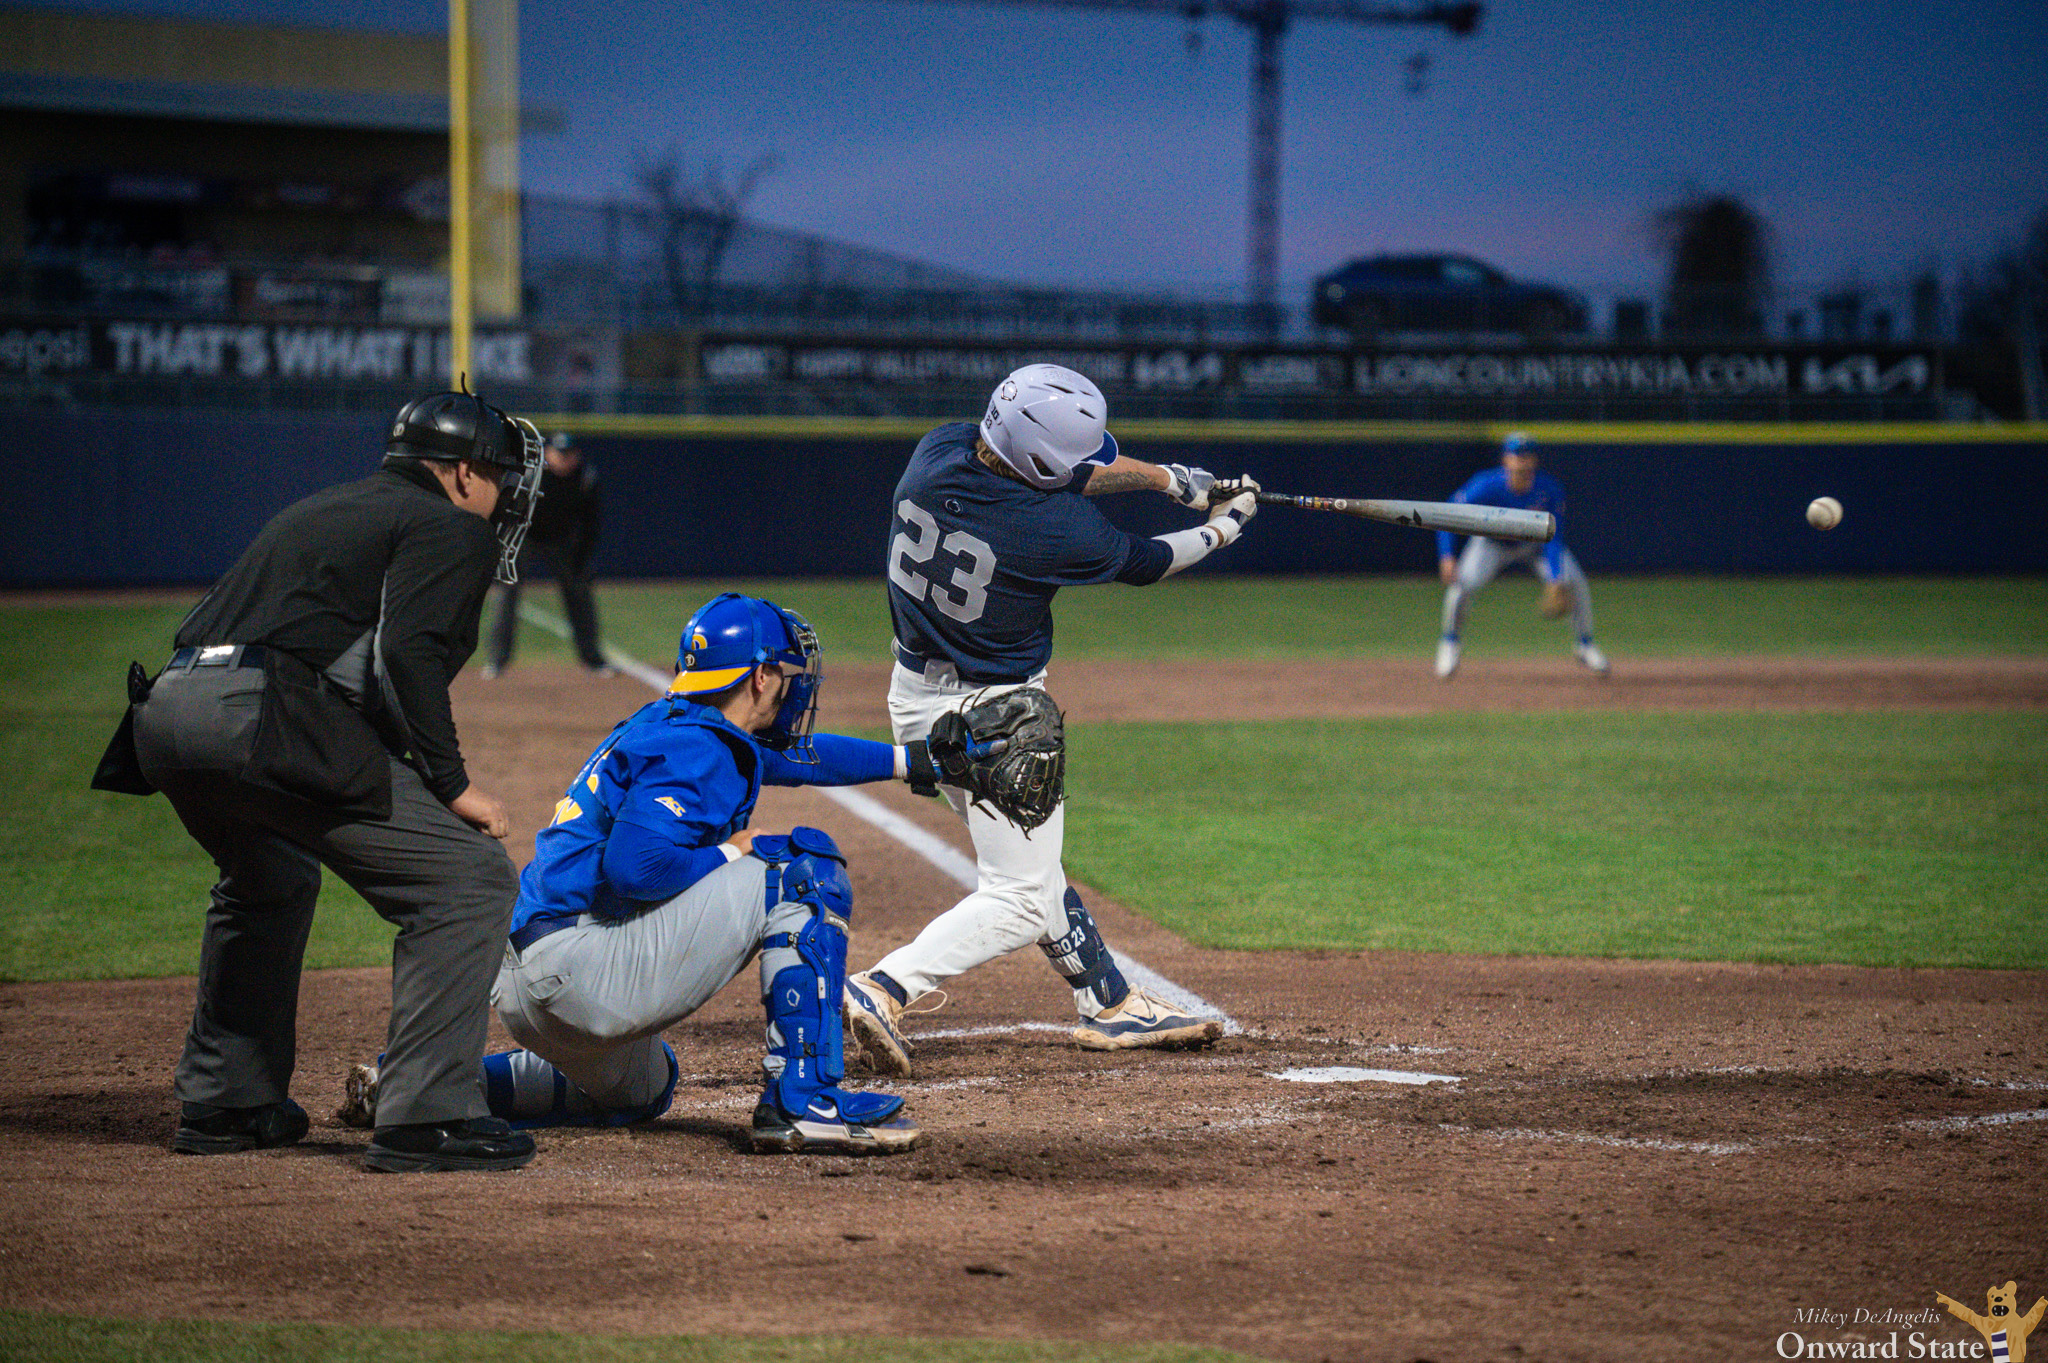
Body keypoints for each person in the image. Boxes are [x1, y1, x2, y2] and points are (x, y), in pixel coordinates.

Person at [93, 389, 547, 1173]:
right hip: (258, 717)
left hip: (164, 711)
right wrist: (450, 783)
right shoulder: (447, 523)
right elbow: (406, 654)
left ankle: (228, 1100)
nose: (507, 493)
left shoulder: (332, 506)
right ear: (465, 472)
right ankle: (427, 1115)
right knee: (468, 879)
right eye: (502, 475)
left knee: (267, 873)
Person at [340, 593, 931, 1154]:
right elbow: (635, 868)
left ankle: (409, 1086)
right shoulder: (697, 749)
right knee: (802, 870)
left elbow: (806, 758)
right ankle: (806, 1104)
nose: (794, 685)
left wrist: (916, 761)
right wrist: (730, 854)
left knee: (646, 1085)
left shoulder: (679, 724)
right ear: (758, 677)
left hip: (532, 982)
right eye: (785, 671)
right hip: (578, 968)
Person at [841, 363, 1255, 1079]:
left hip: (916, 696)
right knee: (1021, 899)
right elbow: (1150, 560)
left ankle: (1109, 1001)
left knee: (1030, 865)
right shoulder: (1056, 530)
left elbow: (1064, 473)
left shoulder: (939, 448)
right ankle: (882, 986)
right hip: (994, 718)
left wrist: (1169, 479)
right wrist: (1225, 526)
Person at [1433, 431, 1609, 679]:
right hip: (1492, 544)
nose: (1522, 462)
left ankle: (1585, 644)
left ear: (1534, 461)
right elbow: (1449, 512)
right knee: (1461, 585)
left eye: (1527, 456)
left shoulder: (1549, 489)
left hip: (1535, 545)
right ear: (1506, 460)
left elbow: (1553, 538)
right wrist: (1447, 556)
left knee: (1575, 582)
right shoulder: (1487, 484)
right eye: (1517, 456)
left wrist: (1555, 577)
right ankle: (1450, 642)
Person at [483, 430, 610, 678]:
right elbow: (505, 511)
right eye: (559, 454)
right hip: (523, 536)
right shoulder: (530, 475)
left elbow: (591, 522)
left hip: (561, 539)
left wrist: (582, 556)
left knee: (578, 591)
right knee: (507, 592)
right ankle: (496, 660)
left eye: (569, 454)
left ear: (577, 456)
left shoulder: (585, 477)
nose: (564, 459)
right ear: (548, 454)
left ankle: (593, 658)